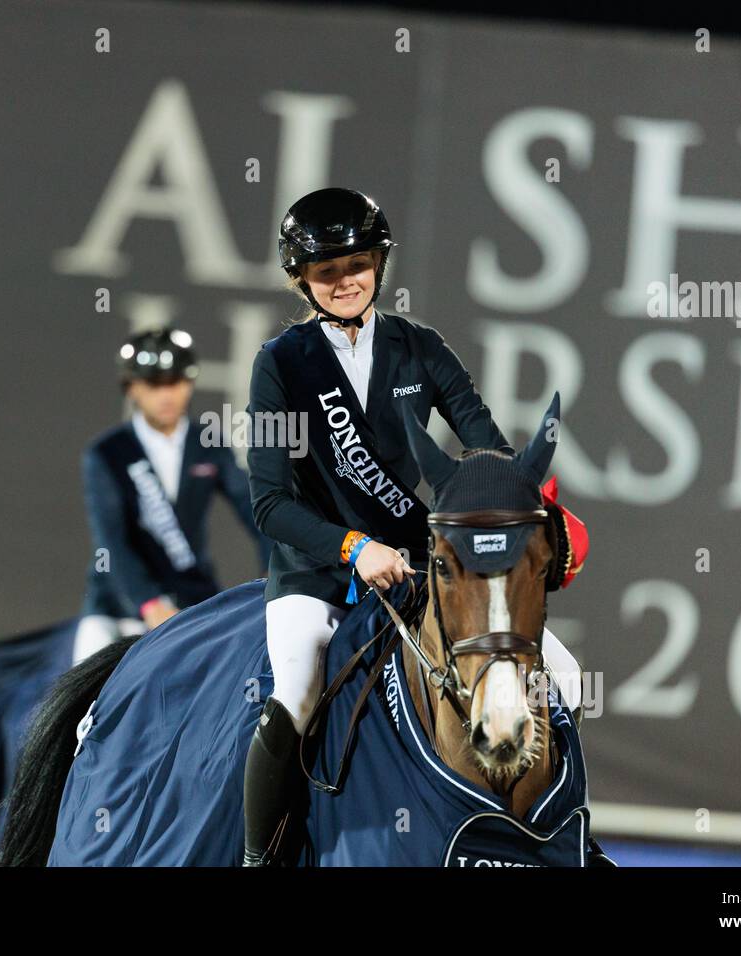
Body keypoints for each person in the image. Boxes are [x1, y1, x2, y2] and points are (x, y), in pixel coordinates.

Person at [241, 187, 582, 865]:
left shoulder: (420, 348)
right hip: (315, 570)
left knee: (563, 676)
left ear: (378, 264)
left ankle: (571, 834)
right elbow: (269, 502)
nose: (345, 281)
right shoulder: (279, 364)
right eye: (326, 270)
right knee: (297, 693)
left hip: (418, 567)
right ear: (300, 280)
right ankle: (260, 856)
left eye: (357, 264)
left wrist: (530, 508)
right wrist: (352, 545)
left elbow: (489, 455)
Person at [75, 327, 270, 663]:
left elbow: (257, 512)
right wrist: (149, 602)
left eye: (176, 381)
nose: (167, 395)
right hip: (118, 607)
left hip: (192, 603)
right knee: (79, 701)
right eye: (154, 384)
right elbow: (111, 541)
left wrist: (274, 572)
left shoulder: (207, 443)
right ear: (132, 388)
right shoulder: (107, 454)